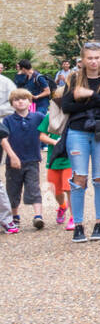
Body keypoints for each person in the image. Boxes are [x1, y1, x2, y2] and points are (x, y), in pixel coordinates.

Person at [61, 41, 100, 242]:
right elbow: (67, 106)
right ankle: (78, 224)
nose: (94, 62)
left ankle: (99, 222)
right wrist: (97, 101)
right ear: (83, 60)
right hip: (77, 132)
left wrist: (89, 95)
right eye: (90, 58)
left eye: (97, 57)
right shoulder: (74, 77)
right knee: (79, 179)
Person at [2, 88, 45, 229]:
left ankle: (38, 216)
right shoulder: (7, 120)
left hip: (32, 159)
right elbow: (4, 139)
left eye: (23, 99)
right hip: (13, 162)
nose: (20, 101)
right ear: (12, 103)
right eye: (16, 99)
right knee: (13, 190)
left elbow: (51, 127)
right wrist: (12, 156)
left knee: (34, 188)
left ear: (30, 101)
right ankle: (15, 215)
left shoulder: (38, 116)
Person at [37, 108, 73, 229]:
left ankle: (74, 217)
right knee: (56, 190)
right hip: (54, 159)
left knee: (69, 188)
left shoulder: (73, 115)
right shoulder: (50, 117)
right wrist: (54, 142)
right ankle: (62, 206)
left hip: (70, 159)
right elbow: (42, 136)